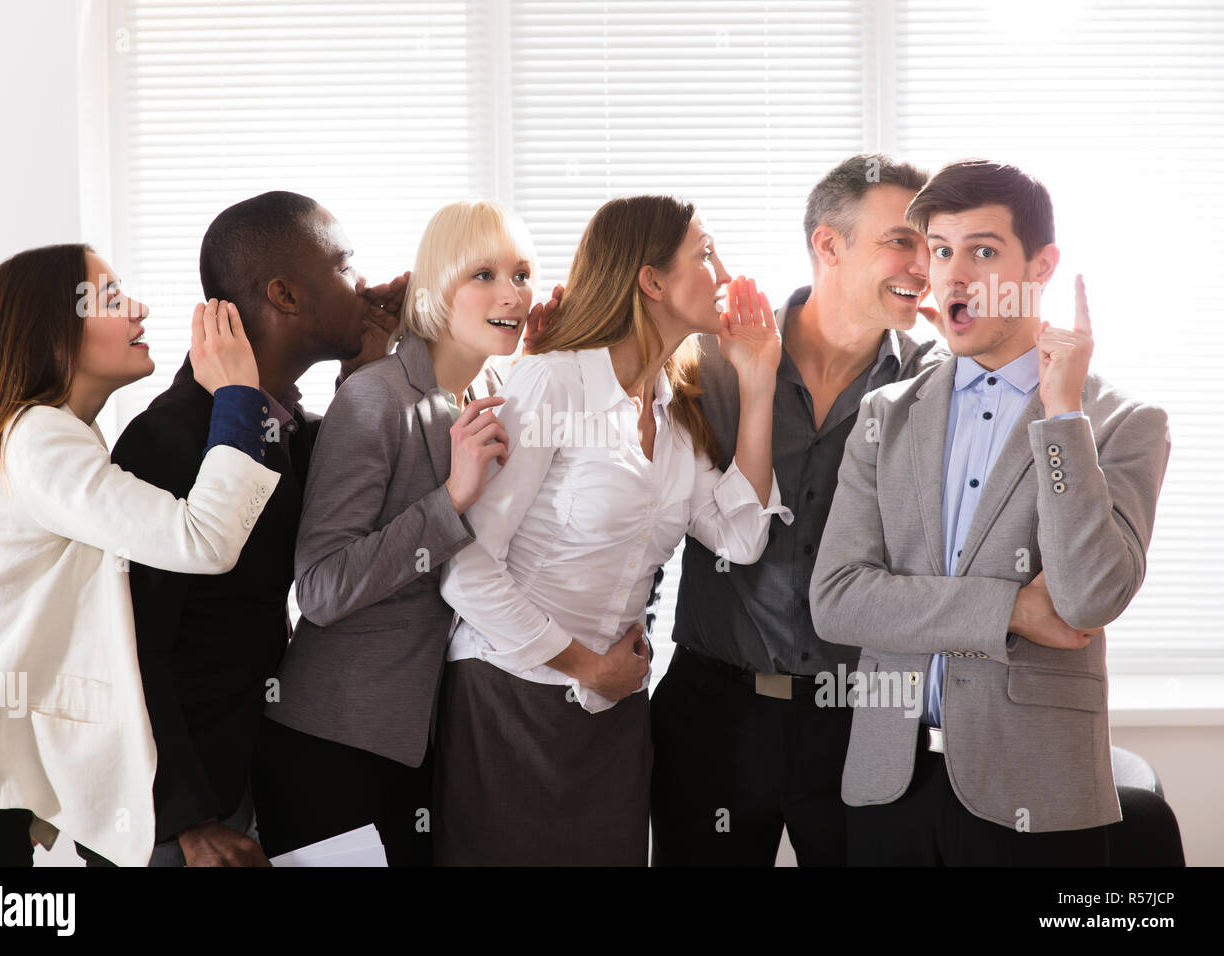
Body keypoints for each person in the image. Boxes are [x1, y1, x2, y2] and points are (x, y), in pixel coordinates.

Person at [809, 159, 1171, 865]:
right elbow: (837, 600)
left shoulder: (1122, 422)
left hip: (1038, 796)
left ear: (1040, 267)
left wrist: (1063, 417)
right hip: (891, 787)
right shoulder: (883, 416)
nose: (952, 275)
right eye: (940, 251)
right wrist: (1008, 609)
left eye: (982, 251)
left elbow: (1089, 596)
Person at [437, 194, 791, 866]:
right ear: (652, 281)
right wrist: (586, 665)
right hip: (511, 695)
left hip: (613, 713)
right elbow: (463, 564)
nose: (725, 270)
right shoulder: (550, 383)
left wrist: (758, 381)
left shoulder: (675, 412)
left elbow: (742, 540)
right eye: (705, 254)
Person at [75, 192, 406, 867]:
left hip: (240, 772)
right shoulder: (168, 439)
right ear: (285, 294)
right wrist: (188, 821)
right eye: (345, 268)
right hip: (168, 811)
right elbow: (127, 647)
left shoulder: (284, 426)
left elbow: (341, 483)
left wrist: (368, 363)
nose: (364, 285)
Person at [0, 243, 279, 867]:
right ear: (52, 330)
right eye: (112, 300)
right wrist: (237, 398)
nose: (139, 311)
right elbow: (202, 539)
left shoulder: (44, 433)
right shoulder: (38, 440)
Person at [650, 154, 948, 866]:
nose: (925, 263)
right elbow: (627, 496)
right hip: (713, 716)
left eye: (931, 245)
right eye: (902, 240)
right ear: (828, 244)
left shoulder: (931, 382)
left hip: (864, 721)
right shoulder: (709, 362)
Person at [251, 199, 554, 866]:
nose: (513, 294)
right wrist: (451, 498)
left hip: (428, 743)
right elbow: (322, 588)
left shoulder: (497, 392)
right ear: (439, 286)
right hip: (333, 745)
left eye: (523, 274)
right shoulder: (375, 400)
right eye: (484, 275)